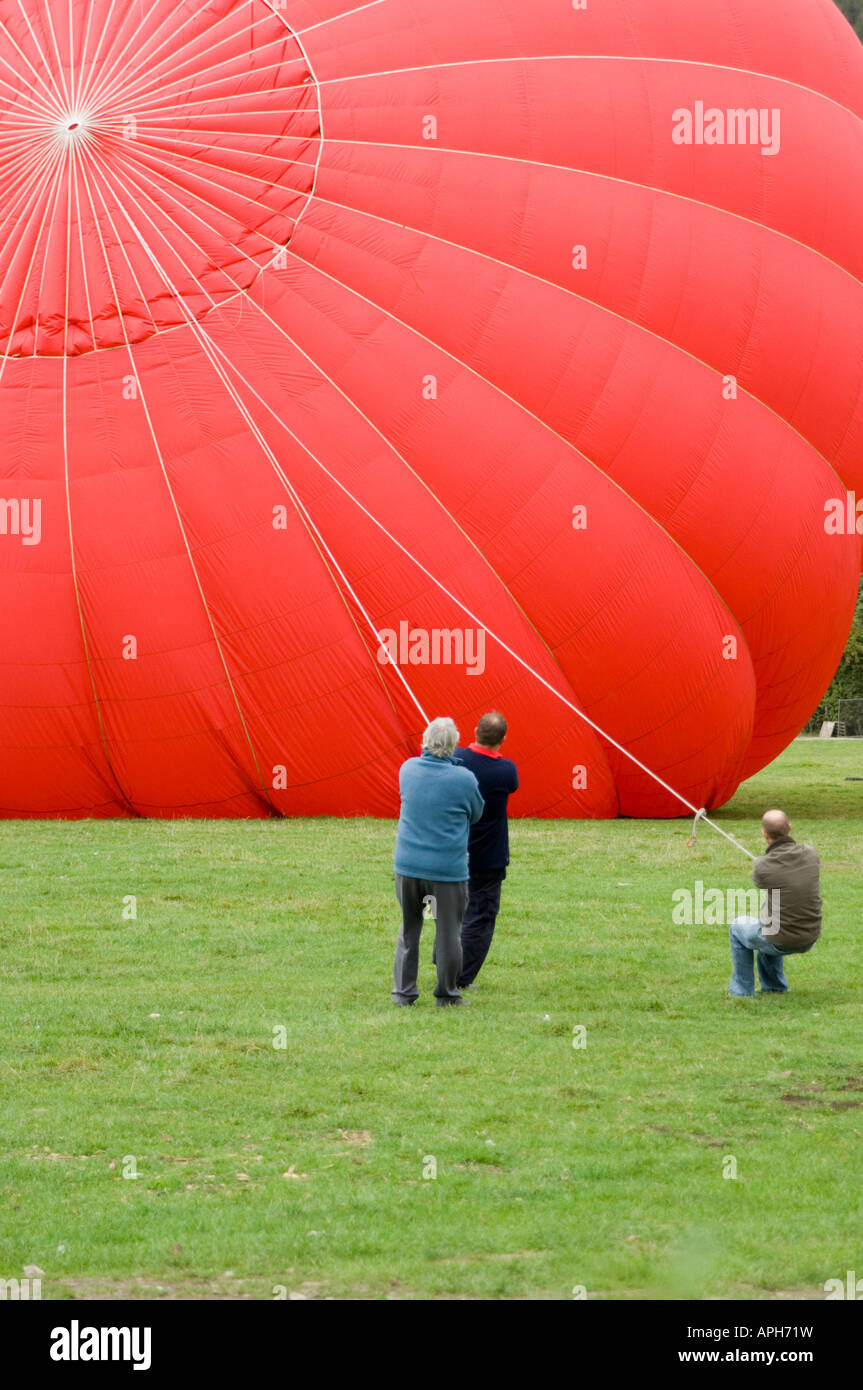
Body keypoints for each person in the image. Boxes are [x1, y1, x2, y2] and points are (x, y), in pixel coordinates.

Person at [392, 717, 484, 1007]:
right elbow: (476, 813)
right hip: (447, 871)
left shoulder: (407, 770)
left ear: (425, 742)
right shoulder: (465, 779)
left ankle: (403, 992)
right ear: (455, 746)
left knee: (409, 930)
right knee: (448, 933)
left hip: (407, 866)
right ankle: (447, 993)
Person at [454, 711, 519, 988]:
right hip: (488, 858)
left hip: (455, 852)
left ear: (475, 731)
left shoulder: (456, 759)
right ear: (503, 739)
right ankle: (461, 977)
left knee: (455, 912)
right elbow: (513, 785)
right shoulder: (505, 770)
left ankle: (444, 961)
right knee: (480, 917)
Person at [728, 809, 822, 997]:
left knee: (737, 927)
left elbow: (760, 881)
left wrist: (766, 862)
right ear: (789, 828)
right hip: (810, 936)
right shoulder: (811, 854)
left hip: (783, 940)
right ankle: (774, 988)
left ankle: (741, 992)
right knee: (769, 926)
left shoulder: (763, 866)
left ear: (764, 834)